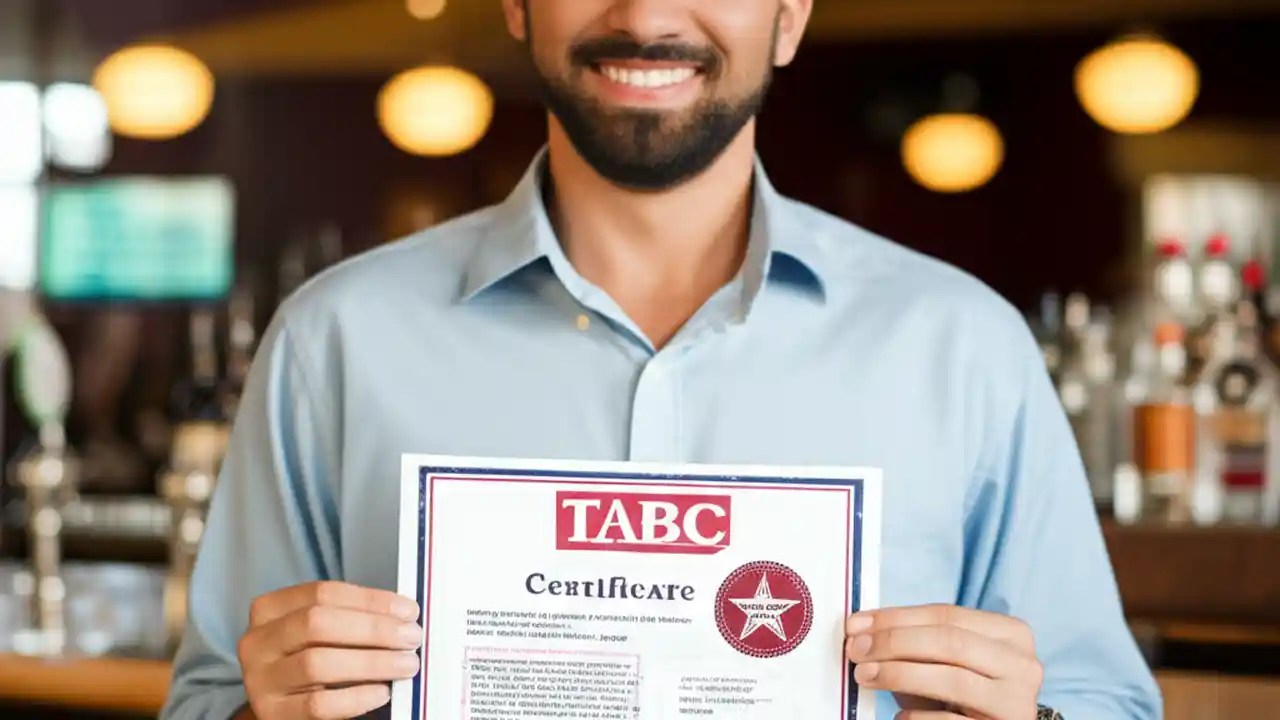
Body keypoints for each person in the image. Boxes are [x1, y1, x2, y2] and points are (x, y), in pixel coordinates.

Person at [160, 1, 1163, 718]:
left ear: (791, 13)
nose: (645, 16)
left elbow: (1105, 702)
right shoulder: (333, 340)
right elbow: (208, 703)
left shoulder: (963, 346)